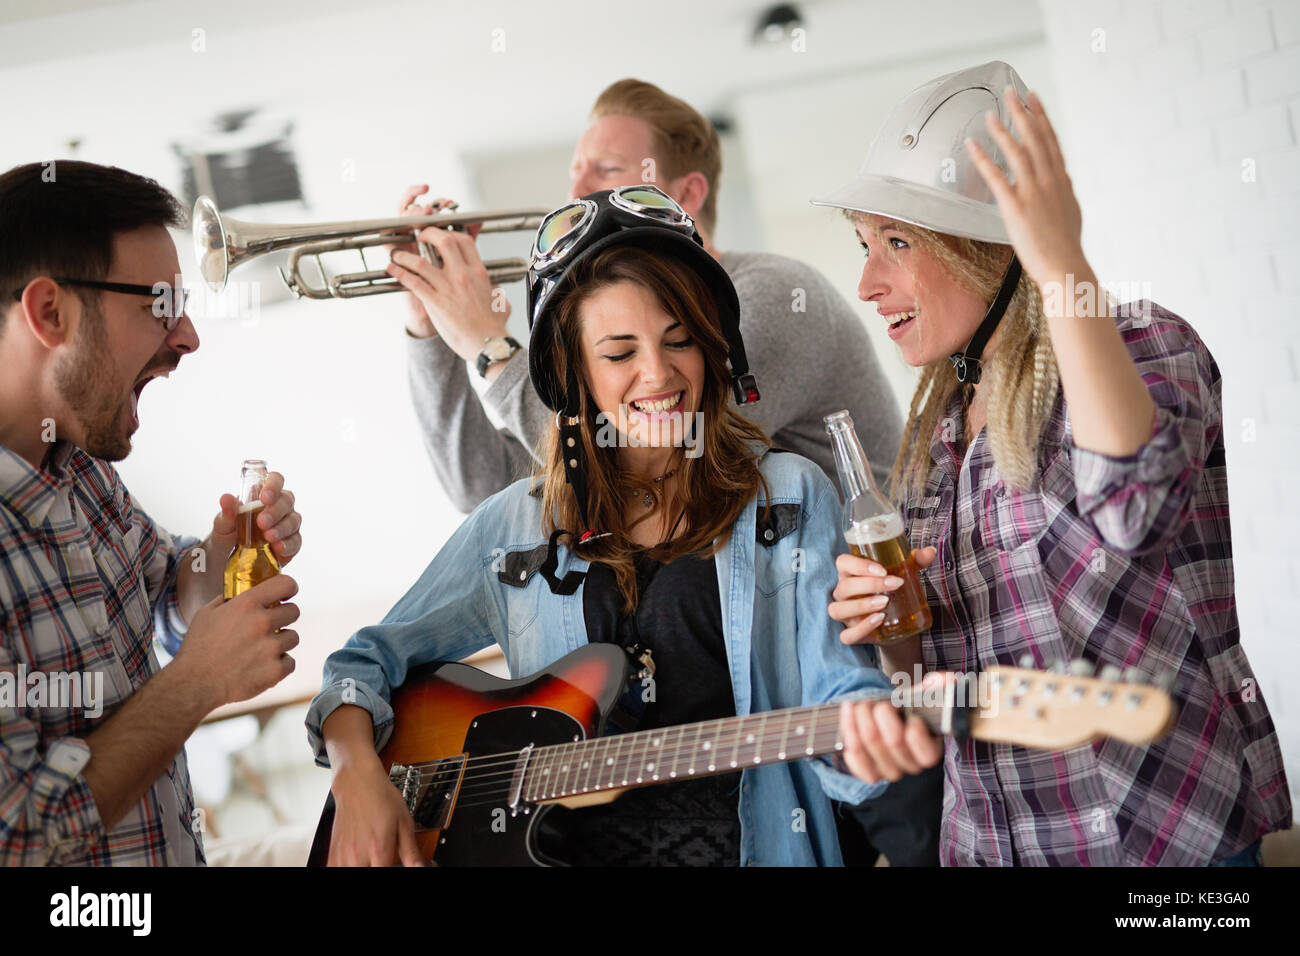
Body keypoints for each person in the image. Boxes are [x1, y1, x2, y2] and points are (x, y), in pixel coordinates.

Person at [389, 76, 943, 868]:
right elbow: (502, 490)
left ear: (685, 192)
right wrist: (426, 330)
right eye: (575, 172)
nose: (575, 190)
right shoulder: (555, 487)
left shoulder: (769, 299)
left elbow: (648, 431)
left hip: (854, 626)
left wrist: (487, 343)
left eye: (604, 173)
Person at [822, 62, 1291, 865]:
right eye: (865, 245)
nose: (868, 282)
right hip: (989, 846)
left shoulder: (1140, 344)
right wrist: (890, 627)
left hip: (1158, 845)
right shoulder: (933, 427)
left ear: (988, 247)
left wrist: (1059, 258)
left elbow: (1132, 506)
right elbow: (932, 672)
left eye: (898, 243)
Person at [0, 161, 304, 865]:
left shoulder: (81, 468)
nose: (187, 337)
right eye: (159, 305)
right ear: (50, 314)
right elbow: (21, 840)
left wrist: (218, 553)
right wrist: (198, 681)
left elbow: (164, 600)